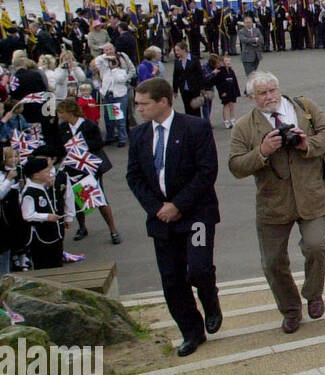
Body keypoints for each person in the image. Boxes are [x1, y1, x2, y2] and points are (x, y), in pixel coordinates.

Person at [228, 71, 325, 334]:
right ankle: (290, 309)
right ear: (252, 98)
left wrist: (306, 143)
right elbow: (236, 166)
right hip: (273, 204)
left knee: (316, 247)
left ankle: (313, 293)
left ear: (279, 89)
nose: (269, 97)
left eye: (272, 91)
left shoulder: (305, 108)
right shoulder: (245, 126)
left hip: (311, 196)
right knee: (272, 262)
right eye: (262, 94)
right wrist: (262, 152)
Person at [126, 77, 222, 356]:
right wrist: (157, 208)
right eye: (137, 104)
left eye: (143, 104)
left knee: (199, 268)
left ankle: (210, 301)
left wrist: (178, 205)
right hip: (161, 219)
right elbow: (133, 176)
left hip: (197, 215)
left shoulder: (195, 128)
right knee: (172, 278)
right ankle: (191, 332)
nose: (139, 109)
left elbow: (207, 172)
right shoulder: (139, 135)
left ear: (163, 102)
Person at [56, 98, 121, 244]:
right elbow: (60, 146)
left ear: (69, 112)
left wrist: (80, 145)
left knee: (99, 198)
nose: (59, 115)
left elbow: (98, 143)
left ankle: (113, 230)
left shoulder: (89, 125)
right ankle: (82, 227)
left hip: (90, 166)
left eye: (61, 112)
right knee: (79, 198)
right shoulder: (62, 127)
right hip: (73, 167)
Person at [20, 155, 73, 271]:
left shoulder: (41, 187)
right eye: (46, 171)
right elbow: (27, 215)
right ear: (36, 175)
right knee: (45, 267)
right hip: (41, 238)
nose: (49, 173)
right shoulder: (30, 192)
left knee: (56, 264)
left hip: (52, 236)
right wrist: (47, 216)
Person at [211, 55, 242, 128]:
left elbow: (235, 82)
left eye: (229, 61)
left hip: (232, 91)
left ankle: (233, 119)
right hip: (225, 92)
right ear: (222, 62)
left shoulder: (231, 71)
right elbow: (218, 84)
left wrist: (237, 91)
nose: (228, 62)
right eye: (226, 61)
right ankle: (226, 121)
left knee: (232, 105)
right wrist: (222, 92)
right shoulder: (220, 71)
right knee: (226, 105)